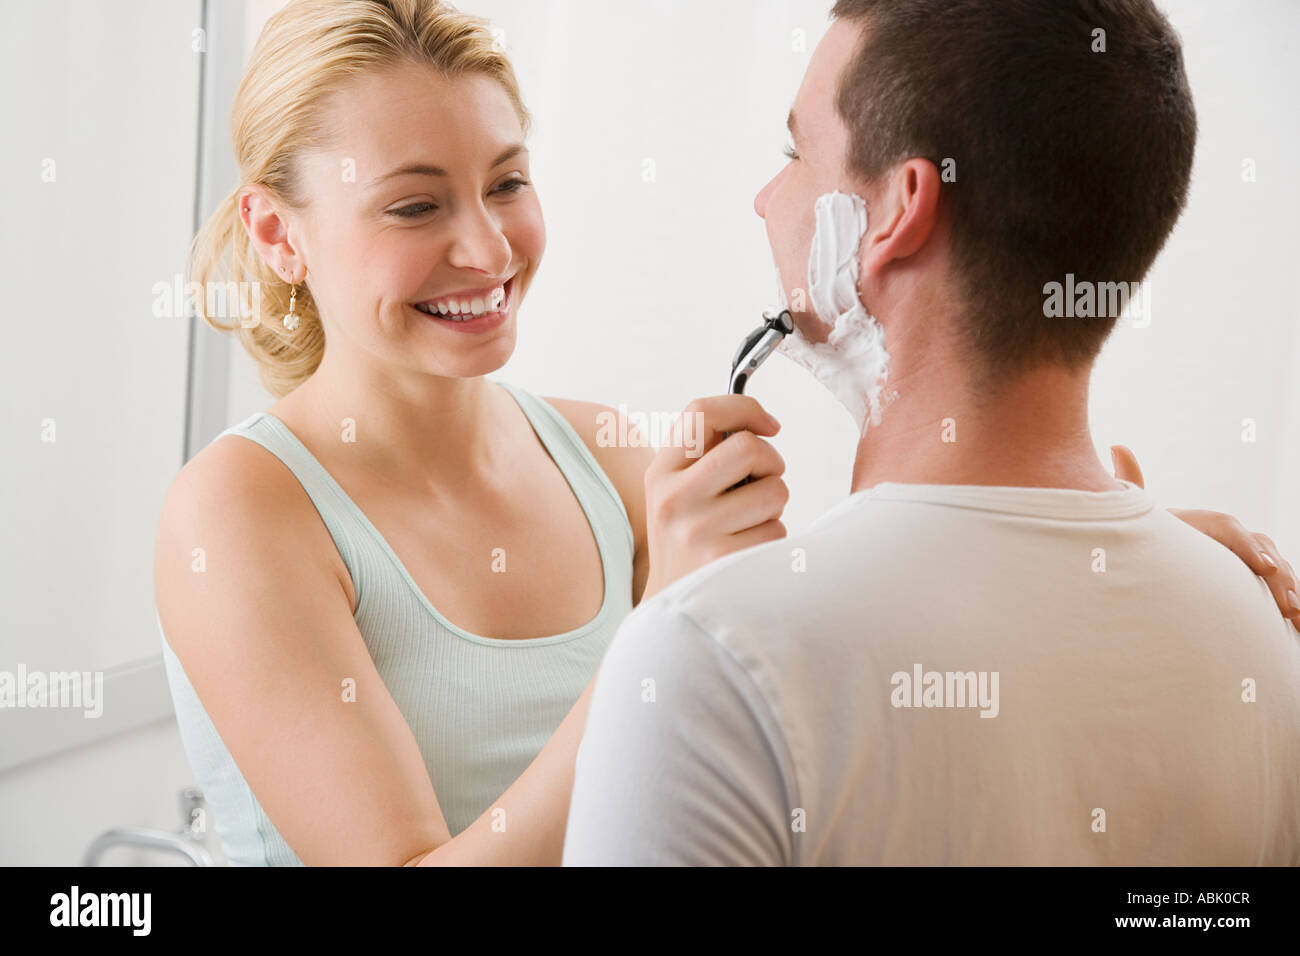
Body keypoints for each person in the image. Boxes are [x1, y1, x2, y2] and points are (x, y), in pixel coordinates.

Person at [155, 0, 1295, 867]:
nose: (487, 249)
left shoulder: (613, 453)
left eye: (506, 182)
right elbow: (711, 655)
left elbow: (828, 628)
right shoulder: (238, 511)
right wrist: (661, 626)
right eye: (415, 205)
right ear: (277, 231)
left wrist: (1099, 549)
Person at [562, 0, 1300, 865]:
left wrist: (686, 624)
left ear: (897, 211)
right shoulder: (1260, 632)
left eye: (796, 152)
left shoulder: (710, 660)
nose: (768, 199)